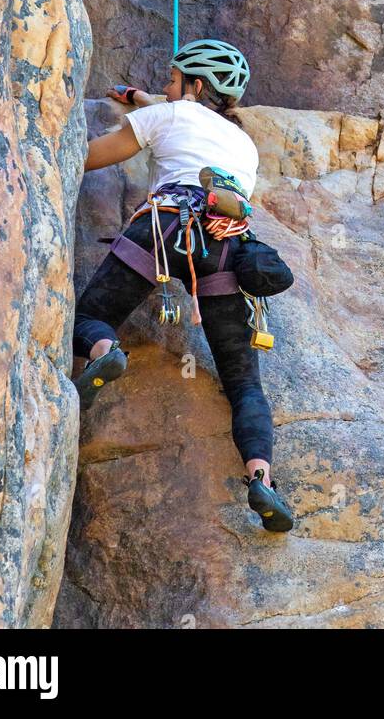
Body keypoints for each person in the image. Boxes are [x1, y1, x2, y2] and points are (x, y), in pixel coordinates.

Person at [72, 38, 294, 533]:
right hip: (226, 247)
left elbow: (88, 157)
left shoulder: (168, 117)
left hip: (166, 226)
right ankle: (261, 479)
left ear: (194, 86)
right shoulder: (243, 145)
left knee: (88, 317)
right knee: (243, 384)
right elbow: (183, 115)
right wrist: (142, 98)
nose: (166, 89)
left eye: (172, 80)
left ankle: (106, 349)